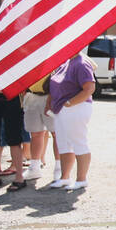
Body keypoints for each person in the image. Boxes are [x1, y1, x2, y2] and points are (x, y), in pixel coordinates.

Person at [48, 51, 95, 191]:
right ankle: (64, 177)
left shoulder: (81, 63)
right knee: (63, 143)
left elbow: (89, 88)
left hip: (75, 107)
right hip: (62, 109)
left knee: (78, 142)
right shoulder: (66, 61)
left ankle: (81, 179)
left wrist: (70, 102)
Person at [21, 72, 54, 180]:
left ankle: (60, 169)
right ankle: (34, 167)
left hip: (51, 95)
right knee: (35, 134)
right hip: (31, 95)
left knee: (57, 133)